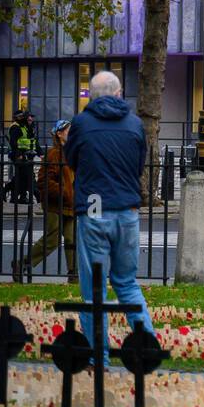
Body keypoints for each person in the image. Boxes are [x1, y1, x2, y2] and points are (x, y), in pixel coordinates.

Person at [64, 71, 155, 365]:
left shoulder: (81, 123)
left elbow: (72, 160)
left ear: (90, 95)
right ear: (119, 93)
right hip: (127, 207)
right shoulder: (134, 124)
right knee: (127, 282)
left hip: (93, 205)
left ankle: (98, 356)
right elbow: (140, 164)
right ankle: (146, 347)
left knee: (95, 289)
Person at [15, 119, 77, 282]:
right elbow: (43, 180)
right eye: (69, 130)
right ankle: (23, 264)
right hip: (55, 205)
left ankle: (73, 274)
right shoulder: (53, 154)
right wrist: (64, 192)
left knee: (72, 240)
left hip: (71, 205)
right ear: (59, 134)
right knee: (52, 240)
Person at [2, 109, 39, 204]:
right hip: (19, 156)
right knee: (29, 176)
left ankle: (16, 196)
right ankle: (38, 196)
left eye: (32, 117)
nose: (31, 119)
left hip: (27, 155)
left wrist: (41, 153)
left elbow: (33, 142)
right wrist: (19, 155)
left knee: (21, 177)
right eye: (29, 117)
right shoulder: (17, 127)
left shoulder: (27, 127)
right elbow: (14, 143)